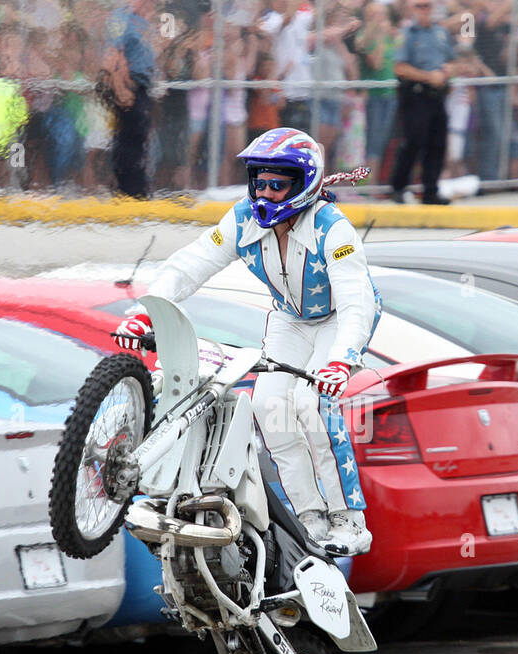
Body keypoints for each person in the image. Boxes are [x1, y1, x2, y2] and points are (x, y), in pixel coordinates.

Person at [111, 128, 380, 555]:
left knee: (312, 405)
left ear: (304, 184)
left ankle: (350, 520)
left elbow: (357, 304)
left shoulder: (335, 230)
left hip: (337, 321)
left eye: (279, 185)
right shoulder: (241, 219)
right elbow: (191, 264)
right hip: (290, 320)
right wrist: (148, 309)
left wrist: (341, 360)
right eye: (261, 183)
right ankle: (310, 514)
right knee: (268, 405)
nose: (267, 194)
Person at [389, 0, 455, 205]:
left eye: (427, 6)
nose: (424, 10)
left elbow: (452, 60)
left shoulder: (441, 33)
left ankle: (430, 190)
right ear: (411, 9)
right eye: (420, 6)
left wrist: (448, 70)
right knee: (413, 141)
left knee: (437, 143)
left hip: (437, 94)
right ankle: (399, 187)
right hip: (416, 94)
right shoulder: (406, 34)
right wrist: (428, 76)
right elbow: (400, 68)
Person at [102, 0, 155, 198]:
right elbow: (112, 55)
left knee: (138, 140)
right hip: (128, 87)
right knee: (127, 142)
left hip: (141, 88)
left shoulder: (143, 22)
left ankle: (137, 189)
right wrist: (120, 89)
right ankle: (127, 191)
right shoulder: (120, 19)